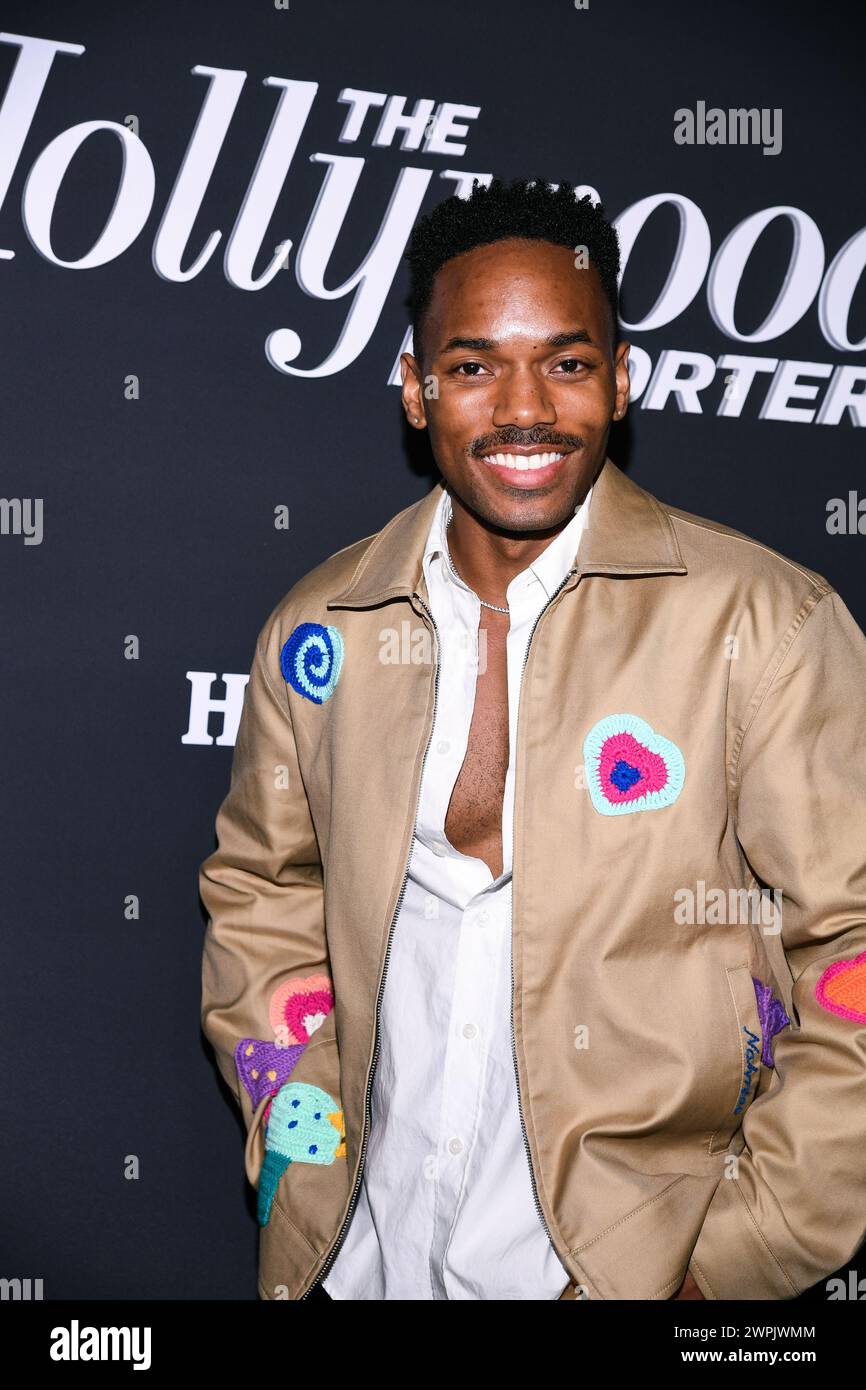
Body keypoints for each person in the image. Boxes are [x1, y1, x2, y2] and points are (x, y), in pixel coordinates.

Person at [199, 176, 866, 1301]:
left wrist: (716, 1272)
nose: (523, 408)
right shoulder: (321, 628)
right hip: (358, 1267)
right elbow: (261, 893)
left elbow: (848, 947)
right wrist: (298, 1126)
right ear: (415, 391)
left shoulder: (764, 625)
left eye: (565, 363)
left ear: (620, 381)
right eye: (471, 366)